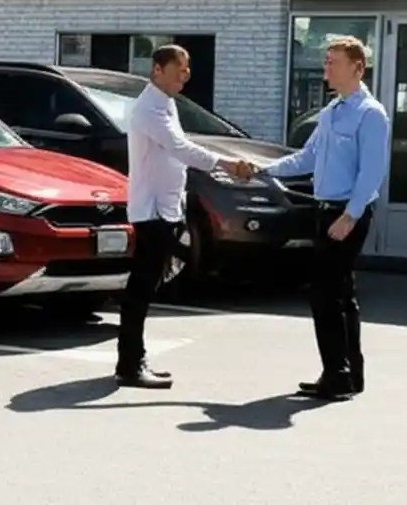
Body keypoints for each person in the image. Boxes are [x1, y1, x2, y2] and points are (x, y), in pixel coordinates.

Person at [256, 36, 391, 401]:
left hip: (347, 213)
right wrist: (263, 170)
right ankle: (348, 374)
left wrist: (350, 215)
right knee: (341, 294)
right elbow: (306, 157)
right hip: (325, 210)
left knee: (325, 294)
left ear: (357, 68)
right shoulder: (332, 112)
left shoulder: (370, 113)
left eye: (334, 61)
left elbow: (371, 172)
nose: (326, 68)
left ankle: (337, 374)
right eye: (326, 60)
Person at [117, 44, 252, 389]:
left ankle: (134, 358)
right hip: (150, 212)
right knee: (141, 287)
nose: (186, 75)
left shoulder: (167, 104)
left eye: (188, 69)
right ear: (157, 70)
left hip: (166, 208)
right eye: (180, 69)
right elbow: (181, 148)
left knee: (147, 284)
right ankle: (130, 364)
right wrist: (227, 164)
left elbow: (176, 152)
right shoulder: (149, 109)